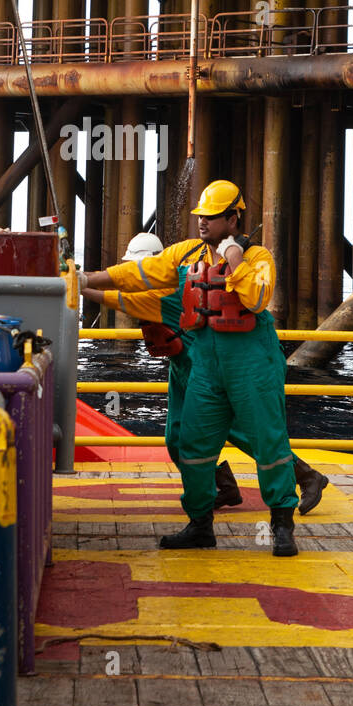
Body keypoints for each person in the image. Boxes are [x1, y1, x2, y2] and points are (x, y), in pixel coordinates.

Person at [81, 181, 312, 557]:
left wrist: (234, 256)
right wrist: (86, 280)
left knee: (269, 442)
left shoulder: (258, 257)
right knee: (192, 445)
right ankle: (201, 524)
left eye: (212, 217)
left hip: (252, 363)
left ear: (232, 218)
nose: (202, 222)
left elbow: (256, 297)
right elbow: (140, 274)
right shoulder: (185, 254)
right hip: (206, 364)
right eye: (200, 216)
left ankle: (282, 524)